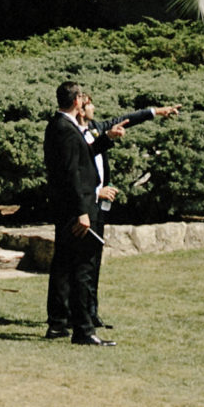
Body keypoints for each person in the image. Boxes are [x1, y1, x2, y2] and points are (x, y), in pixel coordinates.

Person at [42, 82, 179, 347]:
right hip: (77, 210)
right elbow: (72, 174)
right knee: (81, 267)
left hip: (76, 207)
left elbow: (83, 156)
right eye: (83, 98)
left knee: (75, 266)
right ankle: (82, 329)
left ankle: (69, 325)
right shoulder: (66, 130)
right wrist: (84, 209)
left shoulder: (63, 127)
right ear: (76, 103)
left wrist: (107, 139)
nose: (86, 102)